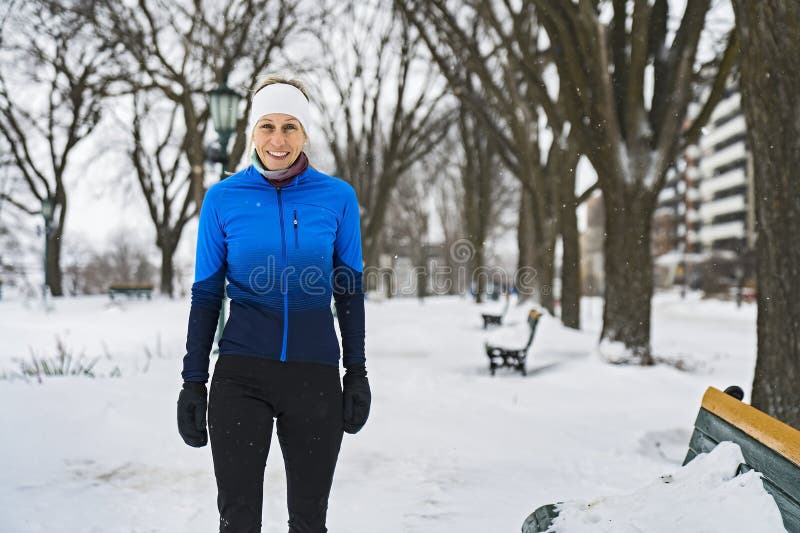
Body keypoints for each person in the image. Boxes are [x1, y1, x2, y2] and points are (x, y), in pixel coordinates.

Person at [176, 76, 371, 533]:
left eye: (289, 127)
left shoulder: (337, 198)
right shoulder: (222, 199)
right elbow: (206, 295)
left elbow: (349, 290)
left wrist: (356, 372)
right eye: (267, 126)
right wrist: (193, 381)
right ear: (252, 133)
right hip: (242, 376)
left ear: (305, 134)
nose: (278, 140)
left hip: (315, 376)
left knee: (309, 522)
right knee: (239, 521)